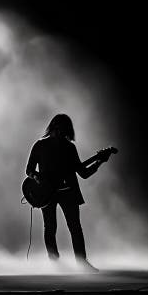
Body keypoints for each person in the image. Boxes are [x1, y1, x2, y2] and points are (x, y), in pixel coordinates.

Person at [26, 113, 106, 271]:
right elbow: (29, 170)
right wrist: (37, 177)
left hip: (68, 192)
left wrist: (99, 161)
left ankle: (82, 263)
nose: (61, 133)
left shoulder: (69, 147)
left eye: (64, 131)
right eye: (59, 129)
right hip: (46, 192)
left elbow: (83, 173)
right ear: (53, 127)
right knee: (50, 227)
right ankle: (55, 263)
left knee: (75, 227)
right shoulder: (40, 145)